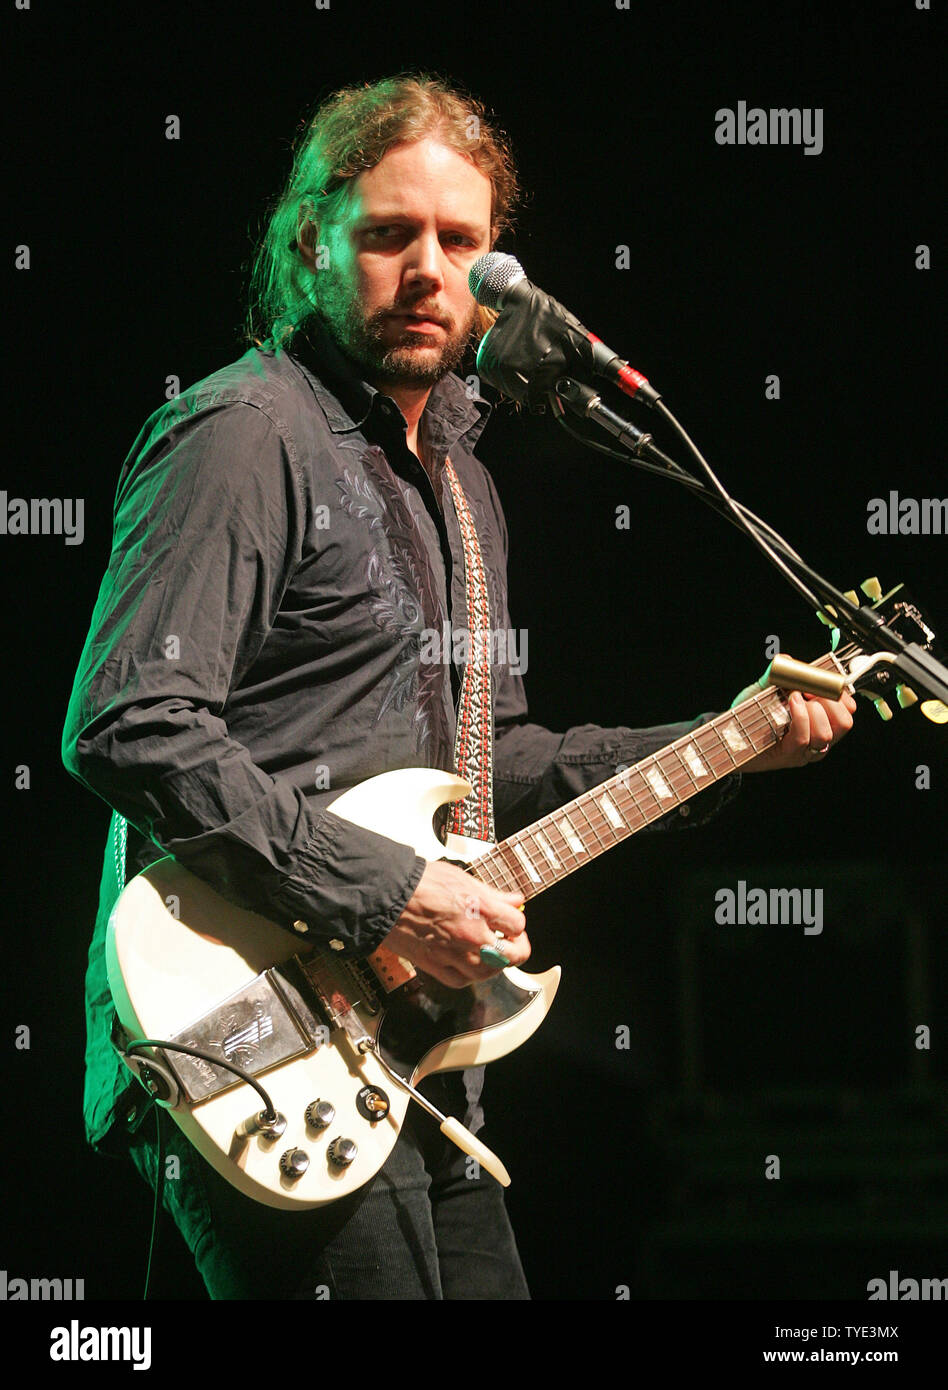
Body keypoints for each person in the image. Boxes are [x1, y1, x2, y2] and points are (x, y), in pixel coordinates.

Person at [62, 72, 856, 1300]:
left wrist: (732, 736)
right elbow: (131, 722)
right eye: (390, 234)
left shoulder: (464, 488)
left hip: (409, 1063)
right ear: (309, 242)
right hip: (251, 1032)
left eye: (461, 240)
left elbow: (496, 763)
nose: (428, 267)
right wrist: (390, 896)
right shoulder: (241, 433)